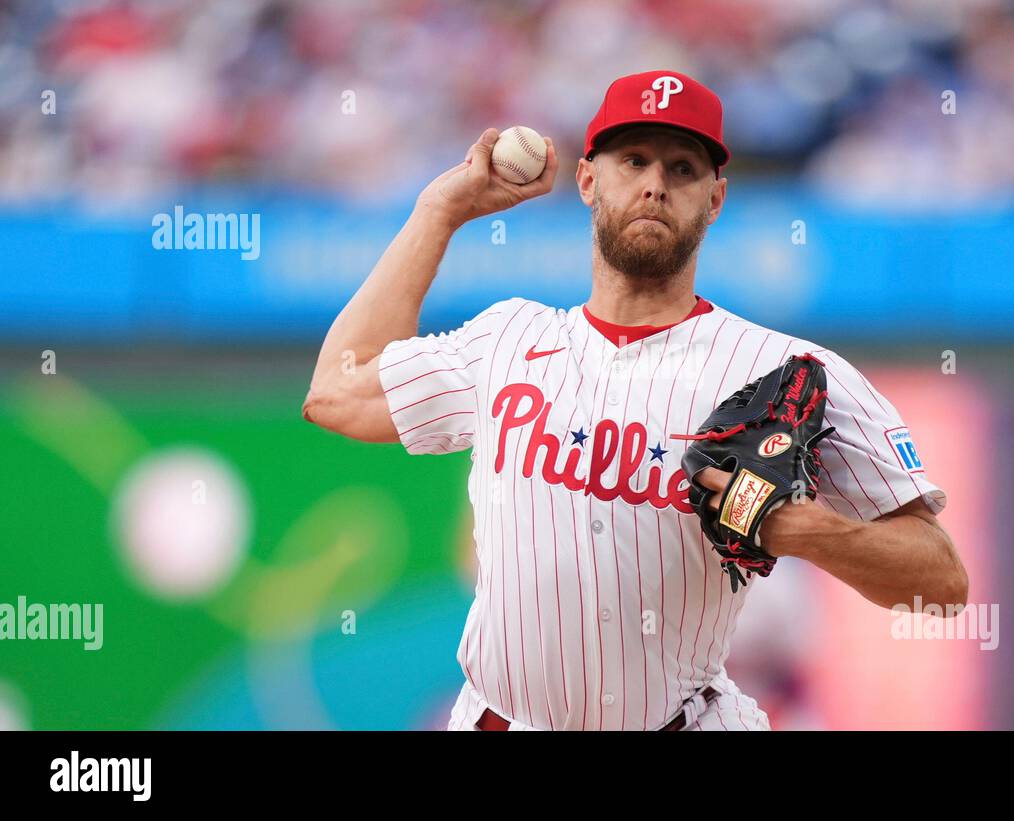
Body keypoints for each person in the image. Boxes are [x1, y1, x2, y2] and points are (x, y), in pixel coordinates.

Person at [302, 70, 967, 731]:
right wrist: (439, 211)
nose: (655, 184)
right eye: (635, 160)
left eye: (683, 168)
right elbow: (336, 392)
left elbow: (941, 584)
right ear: (588, 180)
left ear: (715, 200)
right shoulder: (504, 338)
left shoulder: (785, 368)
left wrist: (804, 528)